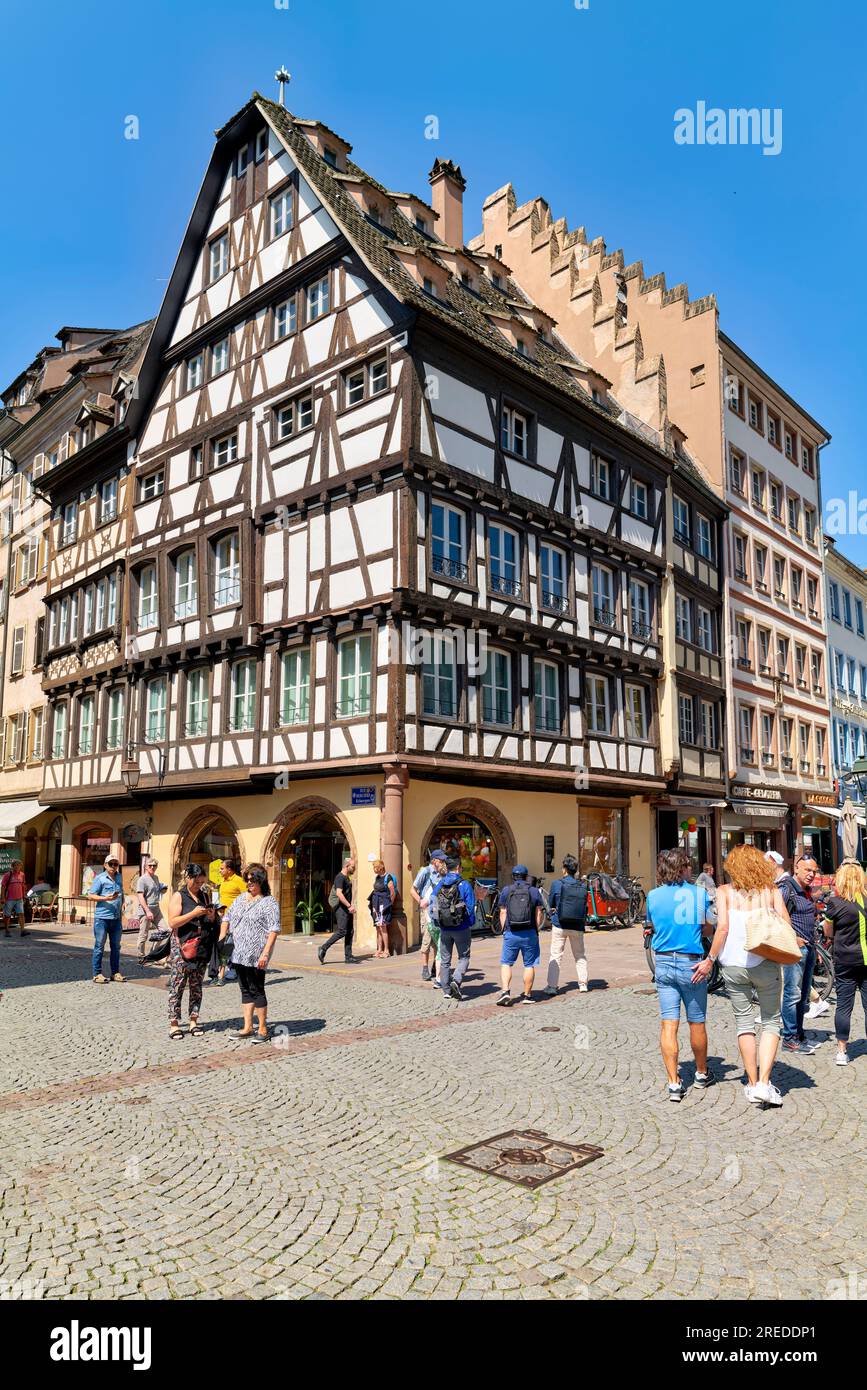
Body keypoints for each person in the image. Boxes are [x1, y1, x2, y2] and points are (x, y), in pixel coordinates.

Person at [698, 844, 788, 1106]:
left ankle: (750, 1082)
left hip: (733, 965)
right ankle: (764, 1083)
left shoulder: (725, 892)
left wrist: (710, 959)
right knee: (771, 1021)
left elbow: (722, 929)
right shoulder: (770, 891)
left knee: (744, 1023)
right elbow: (785, 924)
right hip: (765, 963)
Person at [645, 848, 712, 1100]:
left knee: (668, 1024)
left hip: (663, 963)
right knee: (696, 1021)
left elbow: (651, 925)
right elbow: (707, 927)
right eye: (687, 865)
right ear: (681, 868)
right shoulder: (699, 894)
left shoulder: (652, 896)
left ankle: (673, 1082)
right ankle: (702, 1073)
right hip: (690, 964)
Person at [226, 863, 281, 1042]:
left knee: (257, 989)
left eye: (252, 880)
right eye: (247, 880)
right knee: (244, 989)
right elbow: (227, 916)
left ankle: (263, 1029)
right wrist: (221, 936)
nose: (249, 884)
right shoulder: (241, 898)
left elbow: (274, 929)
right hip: (239, 952)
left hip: (256, 953)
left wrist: (266, 953)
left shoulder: (269, 902)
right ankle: (247, 1027)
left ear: (261, 881)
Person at [821, 861, 867, 1067]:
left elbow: (828, 931)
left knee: (844, 1006)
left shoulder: (835, 903)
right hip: (866, 959)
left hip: (845, 960)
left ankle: (841, 1050)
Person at [166, 864, 218, 1038]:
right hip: (182, 947)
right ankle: (174, 1023)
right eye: (196, 882)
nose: (199, 885)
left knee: (196, 986)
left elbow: (208, 921)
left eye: (201, 882)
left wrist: (211, 916)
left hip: (200, 947)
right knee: (178, 984)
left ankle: (193, 1021)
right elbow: (173, 922)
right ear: (188, 878)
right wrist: (193, 914)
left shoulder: (204, 895)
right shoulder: (178, 896)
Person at [778, 855, 820, 1055]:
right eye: (807, 870)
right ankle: (789, 1037)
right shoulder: (786, 888)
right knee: (792, 994)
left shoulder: (805, 890)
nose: (811, 874)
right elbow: (775, 915)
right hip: (794, 949)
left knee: (803, 995)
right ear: (796, 868)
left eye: (814, 871)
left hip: (809, 947)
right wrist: (792, 937)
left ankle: (799, 1034)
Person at [497, 864, 544, 1006]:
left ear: (513, 876)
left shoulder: (506, 890)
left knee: (506, 963)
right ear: (526, 876)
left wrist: (504, 929)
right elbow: (539, 912)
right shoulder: (534, 891)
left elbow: (503, 911)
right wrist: (536, 928)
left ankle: (505, 992)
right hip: (529, 932)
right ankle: (527, 995)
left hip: (511, 932)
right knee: (529, 965)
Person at [431, 856, 475, 1000]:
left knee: (445, 959)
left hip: (444, 927)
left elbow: (433, 902)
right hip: (461, 927)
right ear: (458, 868)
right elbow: (470, 907)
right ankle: (456, 980)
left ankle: (446, 990)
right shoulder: (464, 884)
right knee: (464, 956)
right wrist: (470, 923)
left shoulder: (441, 883)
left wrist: (438, 923)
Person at [544, 854, 589, 995]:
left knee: (556, 955)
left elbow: (550, 904)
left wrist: (552, 916)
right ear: (575, 870)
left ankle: (552, 986)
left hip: (559, 924)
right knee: (580, 955)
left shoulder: (557, 884)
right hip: (577, 925)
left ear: (564, 869)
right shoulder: (582, 885)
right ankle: (583, 984)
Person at [88, 855, 125, 982]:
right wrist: (105, 898)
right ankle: (97, 974)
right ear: (105, 865)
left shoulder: (119, 877)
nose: (113, 866)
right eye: (111, 864)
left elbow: (121, 892)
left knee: (116, 947)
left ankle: (115, 973)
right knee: (99, 946)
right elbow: (91, 895)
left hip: (116, 917)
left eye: (116, 864)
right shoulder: (100, 878)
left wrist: (123, 902)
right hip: (102, 918)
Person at [410, 852, 446, 982]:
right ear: (434, 860)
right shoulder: (425, 871)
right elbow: (412, 890)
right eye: (441, 860)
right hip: (426, 911)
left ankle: (435, 968)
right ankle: (425, 968)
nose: (443, 862)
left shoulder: (442, 873)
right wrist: (421, 901)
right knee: (426, 940)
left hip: (438, 911)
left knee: (438, 941)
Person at [318, 858, 358, 964]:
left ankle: (348, 956)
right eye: (353, 867)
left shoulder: (346, 877)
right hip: (341, 908)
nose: (354, 868)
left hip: (346, 908)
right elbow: (339, 894)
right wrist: (349, 906)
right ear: (346, 866)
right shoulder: (340, 878)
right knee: (342, 931)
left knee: (350, 931)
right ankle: (323, 948)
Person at [213, 858, 246, 984]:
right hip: (223, 917)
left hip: (235, 917)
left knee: (232, 943)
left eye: (222, 868)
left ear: (229, 870)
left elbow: (246, 898)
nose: (220, 871)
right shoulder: (224, 880)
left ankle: (233, 968)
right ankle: (224, 968)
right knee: (224, 942)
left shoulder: (238, 881)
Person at [134, 857, 165, 962]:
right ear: (146, 867)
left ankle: (153, 953)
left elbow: (155, 892)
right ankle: (141, 956)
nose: (152, 867)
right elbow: (140, 896)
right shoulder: (142, 880)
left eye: (154, 865)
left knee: (165, 930)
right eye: (150, 865)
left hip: (156, 908)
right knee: (143, 935)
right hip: (145, 909)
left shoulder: (156, 877)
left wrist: (162, 890)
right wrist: (147, 911)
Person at [368, 859, 397, 958]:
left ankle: (386, 950)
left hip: (383, 906)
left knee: (383, 927)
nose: (374, 869)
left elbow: (392, 892)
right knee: (378, 927)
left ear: (380, 867)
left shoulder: (388, 877)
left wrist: (389, 904)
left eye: (375, 867)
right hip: (376, 905)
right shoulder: (377, 877)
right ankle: (379, 949)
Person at [1, 860, 29, 937]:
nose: (17, 867)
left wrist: (24, 896)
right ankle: (7, 930)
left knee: (21, 914)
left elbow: (23, 885)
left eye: (19, 865)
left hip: (19, 899)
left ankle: (22, 930)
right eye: (15, 865)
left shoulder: (22, 875)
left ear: (21, 867)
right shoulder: (8, 875)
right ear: (12, 866)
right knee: (7, 915)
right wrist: (3, 898)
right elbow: (3, 887)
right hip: (9, 899)